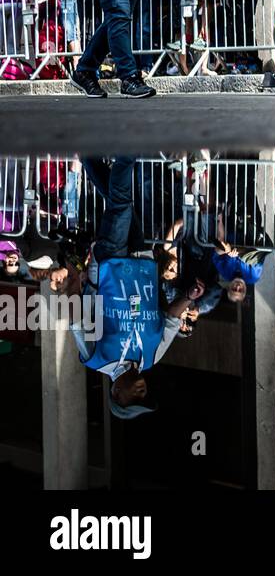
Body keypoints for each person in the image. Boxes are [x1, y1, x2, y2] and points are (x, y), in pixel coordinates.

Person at [71, 156, 195, 419]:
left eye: (135, 396)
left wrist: (77, 275)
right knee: (121, 203)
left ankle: (128, 150)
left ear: (116, 393)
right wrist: (188, 297)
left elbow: (76, 320)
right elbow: (172, 319)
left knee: (121, 205)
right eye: (145, 394)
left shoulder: (96, 358)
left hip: (110, 266)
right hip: (141, 264)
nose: (142, 389)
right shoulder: (152, 356)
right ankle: (86, 156)